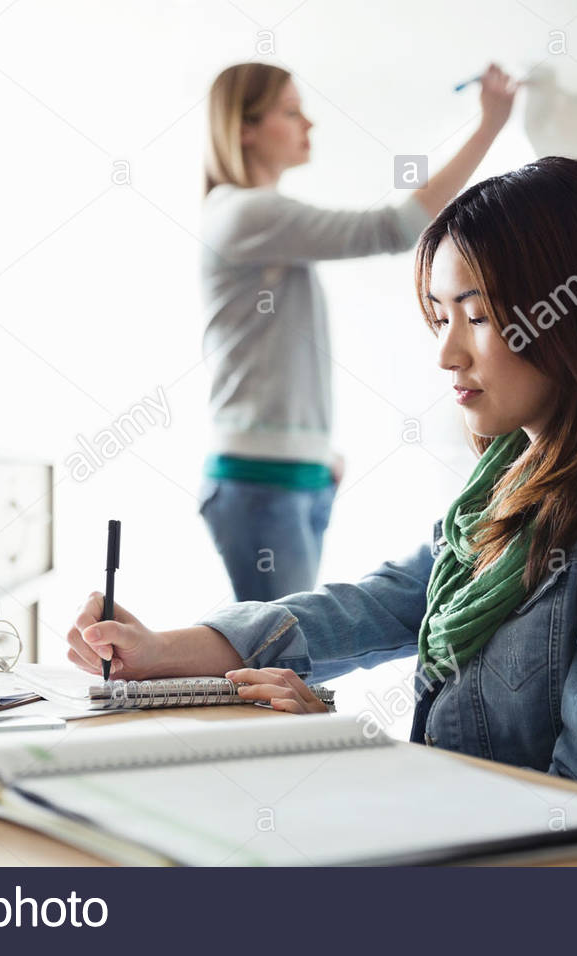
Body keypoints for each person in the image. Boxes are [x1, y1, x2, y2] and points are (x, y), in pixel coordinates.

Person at [69, 157, 577, 791]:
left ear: (574, 314)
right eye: (439, 317)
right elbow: (382, 602)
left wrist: (348, 757)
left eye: (479, 317)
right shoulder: (520, 479)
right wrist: (163, 652)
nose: (446, 354)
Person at [197, 61, 519, 600]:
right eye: (290, 111)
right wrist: (490, 125)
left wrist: (317, 451)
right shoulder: (246, 213)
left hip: (288, 473)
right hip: (264, 479)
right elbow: (393, 228)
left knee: (280, 638)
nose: (309, 124)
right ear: (245, 129)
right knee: (274, 644)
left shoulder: (253, 220)